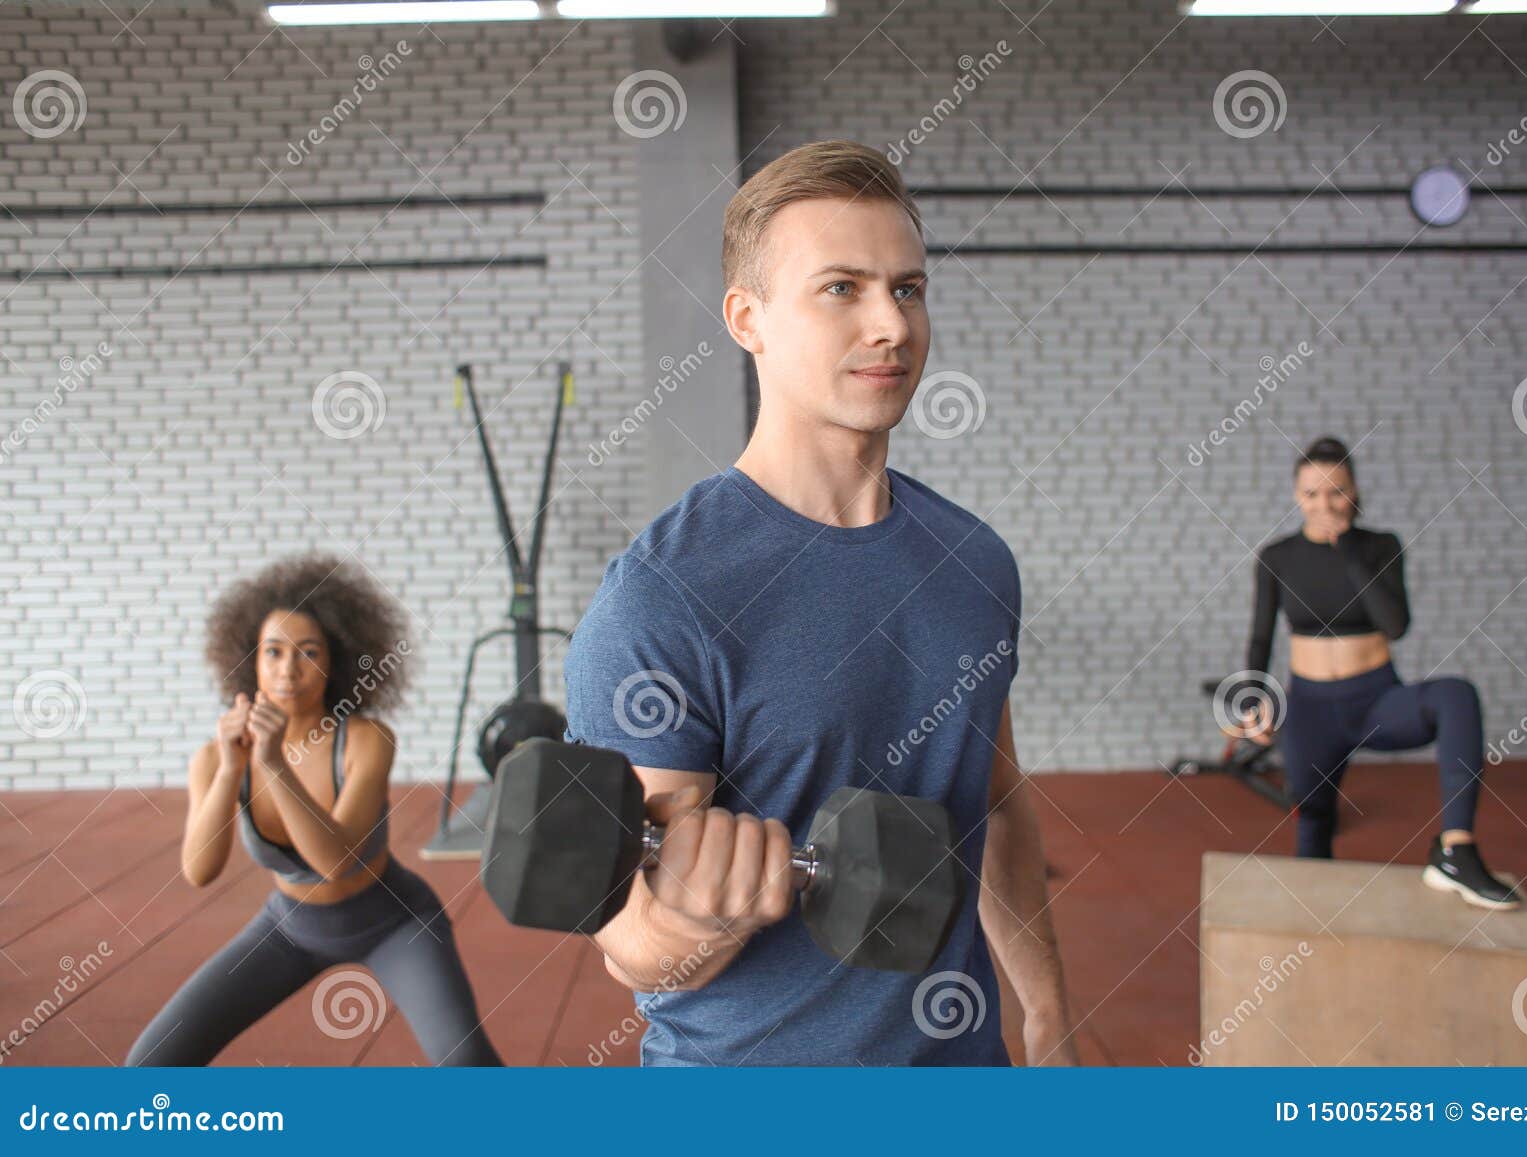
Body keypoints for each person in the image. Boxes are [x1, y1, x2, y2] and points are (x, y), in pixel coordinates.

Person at [562, 140, 1076, 1066]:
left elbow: (993, 805)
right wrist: (700, 919)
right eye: (841, 288)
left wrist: (1045, 1020)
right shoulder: (667, 595)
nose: (890, 323)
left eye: (908, 289)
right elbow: (630, 943)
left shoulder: (974, 560)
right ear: (747, 319)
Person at [126, 553, 502, 1066]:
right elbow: (199, 870)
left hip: (394, 920)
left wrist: (274, 764)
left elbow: (335, 861)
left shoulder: (366, 740)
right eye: (273, 652)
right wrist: (233, 769)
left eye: (308, 652)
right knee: (152, 1062)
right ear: (250, 661)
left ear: (335, 663)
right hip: (289, 927)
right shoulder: (215, 756)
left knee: (467, 1067)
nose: (289, 670)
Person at [1237, 436, 1520, 909]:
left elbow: (1396, 624)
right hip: (1309, 708)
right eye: (1311, 493)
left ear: (1354, 492)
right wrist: (1252, 704)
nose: (1323, 503)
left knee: (1456, 695)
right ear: (1295, 495)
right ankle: (1316, 922)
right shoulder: (1277, 558)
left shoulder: (1379, 546)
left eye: (1336, 491)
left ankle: (1456, 851)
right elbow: (1260, 639)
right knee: (1312, 817)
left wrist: (1346, 547)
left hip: (1374, 702)